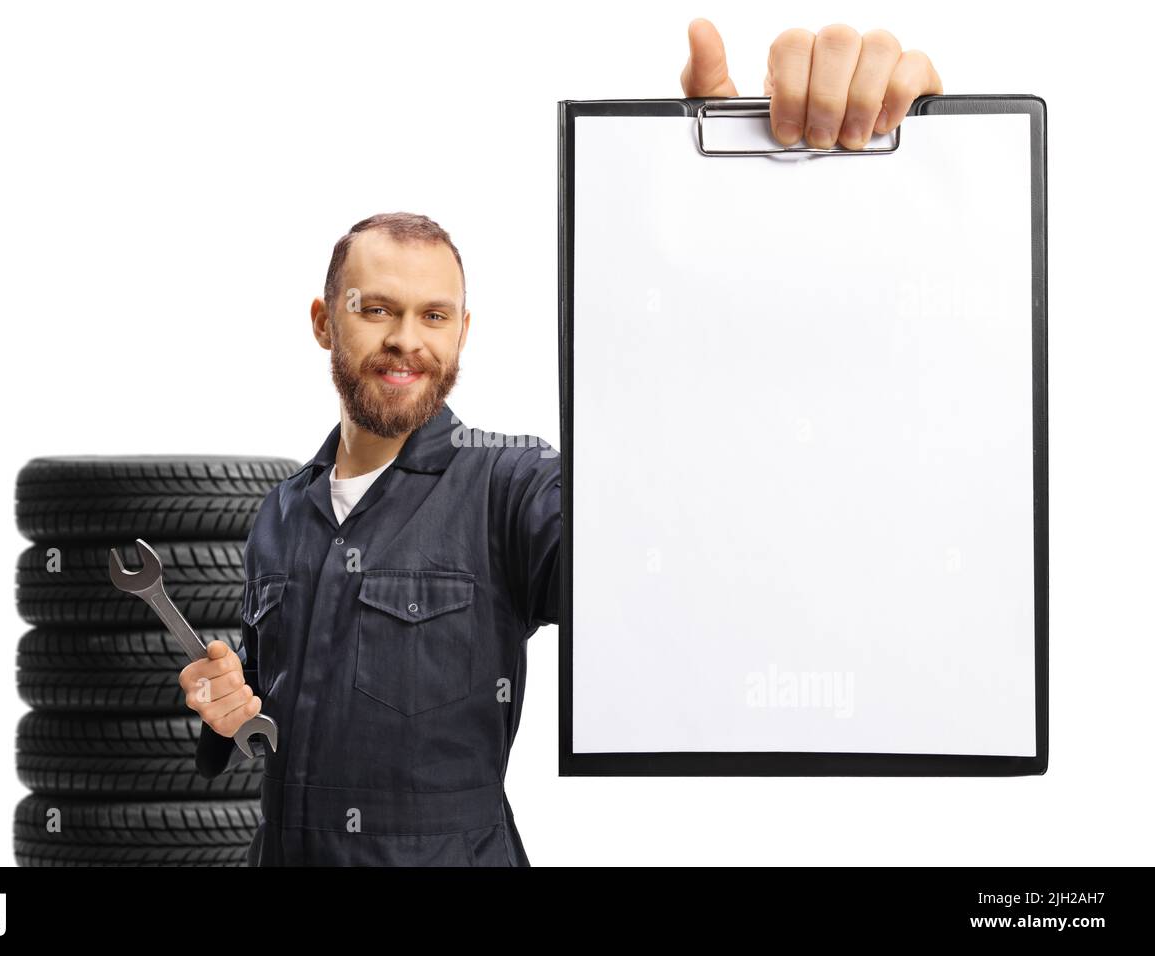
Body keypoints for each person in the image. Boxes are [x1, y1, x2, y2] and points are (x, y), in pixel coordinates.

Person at [179, 18, 943, 866]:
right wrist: (227, 704)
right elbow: (265, 702)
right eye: (377, 310)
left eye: (434, 315)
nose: (407, 338)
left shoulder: (510, 486)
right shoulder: (280, 512)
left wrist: (743, 221)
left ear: (463, 332)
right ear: (325, 321)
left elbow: (681, 535)